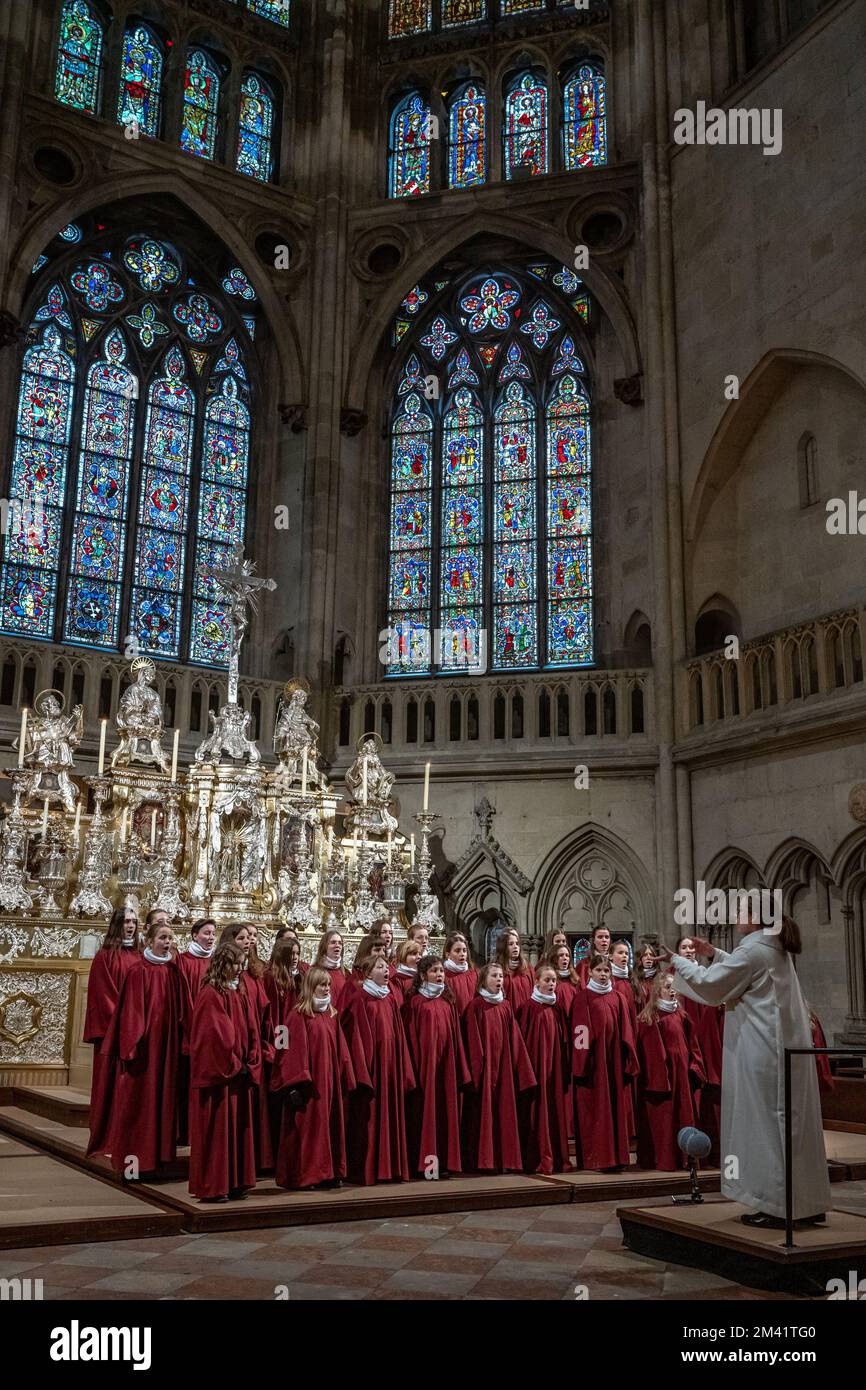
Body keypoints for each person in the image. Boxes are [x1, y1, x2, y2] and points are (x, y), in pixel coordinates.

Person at [665, 912, 832, 1228]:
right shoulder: (772, 947)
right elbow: (745, 973)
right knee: (794, 1127)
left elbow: (712, 986)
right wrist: (715, 955)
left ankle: (775, 1204)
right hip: (782, 1051)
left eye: (742, 911)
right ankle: (806, 1202)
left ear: (757, 918)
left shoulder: (755, 949)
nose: (736, 916)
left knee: (766, 1126)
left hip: (762, 1053)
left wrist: (679, 961)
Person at [88, 917, 184, 1175]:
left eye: (170, 938)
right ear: (149, 942)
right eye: (162, 938)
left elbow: (181, 1010)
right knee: (138, 1103)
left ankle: (159, 1156)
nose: (167, 943)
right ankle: (134, 1162)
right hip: (143, 1050)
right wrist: (131, 1046)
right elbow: (130, 1014)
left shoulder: (173, 971)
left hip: (165, 1047)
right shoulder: (138, 971)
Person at [270, 966, 356, 1190]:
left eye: (328, 985)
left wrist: (346, 1076)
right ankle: (307, 1175)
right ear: (311, 987)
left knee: (330, 1125)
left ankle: (330, 1171)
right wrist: (294, 1084)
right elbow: (289, 1050)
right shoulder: (298, 1015)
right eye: (322, 985)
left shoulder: (331, 1014)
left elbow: (341, 1050)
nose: (327, 988)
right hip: (308, 1085)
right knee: (310, 1130)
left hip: (330, 1082)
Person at [188, 945, 259, 1202]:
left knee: (238, 1128)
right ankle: (214, 1185)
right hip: (221, 1076)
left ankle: (236, 1180)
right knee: (218, 1130)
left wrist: (251, 1057)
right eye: (236, 964)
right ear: (223, 964)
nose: (240, 969)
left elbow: (251, 1027)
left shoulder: (237, 992)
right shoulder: (210, 993)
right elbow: (213, 1035)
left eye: (242, 964)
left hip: (238, 1071)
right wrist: (232, 1063)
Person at [340, 955, 416, 1184]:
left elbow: (399, 1035)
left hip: (390, 1068)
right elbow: (354, 1039)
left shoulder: (390, 999)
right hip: (371, 1073)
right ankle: (368, 1171)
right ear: (367, 972)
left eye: (386, 966)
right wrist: (363, 1073)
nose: (386, 970)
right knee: (369, 1121)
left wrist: (402, 1067)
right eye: (380, 967)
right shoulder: (359, 999)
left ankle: (391, 1169)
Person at [462, 961, 536, 1173]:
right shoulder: (476, 1006)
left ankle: (505, 1159)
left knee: (504, 1114)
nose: (498, 980)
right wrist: (478, 1071)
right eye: (494, 976)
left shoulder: (505, 1006)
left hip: (504, 1069)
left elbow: (515, 1040)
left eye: (501, 977)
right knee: (482, 1115)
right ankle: (483, 1161)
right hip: (484, 1072)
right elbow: (472, 1041)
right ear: (483, 979)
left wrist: (518, 1069)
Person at [403, 955, 469, 1178]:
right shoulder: (415, 1004)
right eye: (434, 971)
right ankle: (424, 1167)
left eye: (441, 971)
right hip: (424, 1072)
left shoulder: (447, 1002)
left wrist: (459, 1068)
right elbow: (409, 1040)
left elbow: (456, 1038)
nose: (440, 975)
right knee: (423, 1117)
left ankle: (444, 1164)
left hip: (445, 1070)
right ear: (423, 975)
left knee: (444, 1116)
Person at [571, 954, 639, 1171]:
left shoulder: (618, 998)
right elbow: (580, 1033)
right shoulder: (583, 998)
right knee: (595, 1111)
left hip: (614, 1063)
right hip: (593, 1066)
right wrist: (581, 1064)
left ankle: (617, 1157)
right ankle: (596, 1159)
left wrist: (628, 1059)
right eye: (599, 970)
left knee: (615, 1109)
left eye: (606, 971)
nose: (603, 975)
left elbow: (627, 1032)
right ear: (590, 972)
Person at [83, 904, 141, 1154]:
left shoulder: (139, 956)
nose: (130, 926)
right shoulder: (104, 957)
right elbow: (103, 997)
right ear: (116, 925)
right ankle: (106, 1137)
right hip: (113, 1036)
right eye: (126, 922)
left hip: (136, 1034)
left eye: (134, 923)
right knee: (109, 1090)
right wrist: (124, 1023)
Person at [635, 971, 704, 1171]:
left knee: (684, 1117)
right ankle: (665, 1160)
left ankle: (685, 1158)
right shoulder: (649, 1018)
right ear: (657, 992)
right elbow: (650, 1052)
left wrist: (694, 1067)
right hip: (663, 1079)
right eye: (667, 987)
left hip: (682, 1075)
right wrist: (660, 1076)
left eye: (674, 988)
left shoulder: (681, 1015)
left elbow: (694, 1045)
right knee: (664, 1121)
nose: (672, 991)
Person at [516, 962, 571, 1174]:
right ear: (536, 981)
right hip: (536, 1070)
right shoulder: (527, 1008)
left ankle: (557, 1158)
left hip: (554, 1071)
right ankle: (536, 1159)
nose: (551, 984)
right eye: (547, 980)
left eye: (554, 981)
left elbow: (564, 1040)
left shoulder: (557, 1008)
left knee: (554, 1111)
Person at [674, 935, 724, 1163]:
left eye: (692, 947)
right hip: (685, 1044)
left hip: (708, 1043)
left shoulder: (707, 977)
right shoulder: (671, 980)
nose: (689, 951)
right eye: (684, 947)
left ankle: (713, 1150)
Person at [176, 918, 217, 1143]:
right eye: (206, 933)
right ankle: (186, 1132)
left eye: (213, 934)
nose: (211, 937)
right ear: (194, 935)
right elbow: (183, 997)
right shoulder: (183, 961)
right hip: (190, 1030)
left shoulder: (215, 963)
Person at [496, 929, 534, 1011]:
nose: (515, 946)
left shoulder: (527, 968)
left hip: (526, 1012)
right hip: (506, 1012)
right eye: (510, 944)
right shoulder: (496, 968)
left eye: (517, 943)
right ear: (503, 947)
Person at [314, 929, 353, 1009]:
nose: (337, 945)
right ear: (324, 946)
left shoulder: (346, 973)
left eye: (340, 943)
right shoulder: (314, 971)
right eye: (333, 942)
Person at [443, 932, 477, 1014]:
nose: (462, 954)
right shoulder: (443, 975)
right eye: (457, 951)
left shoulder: (474, 973)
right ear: (448, 954)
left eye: (464, 951)